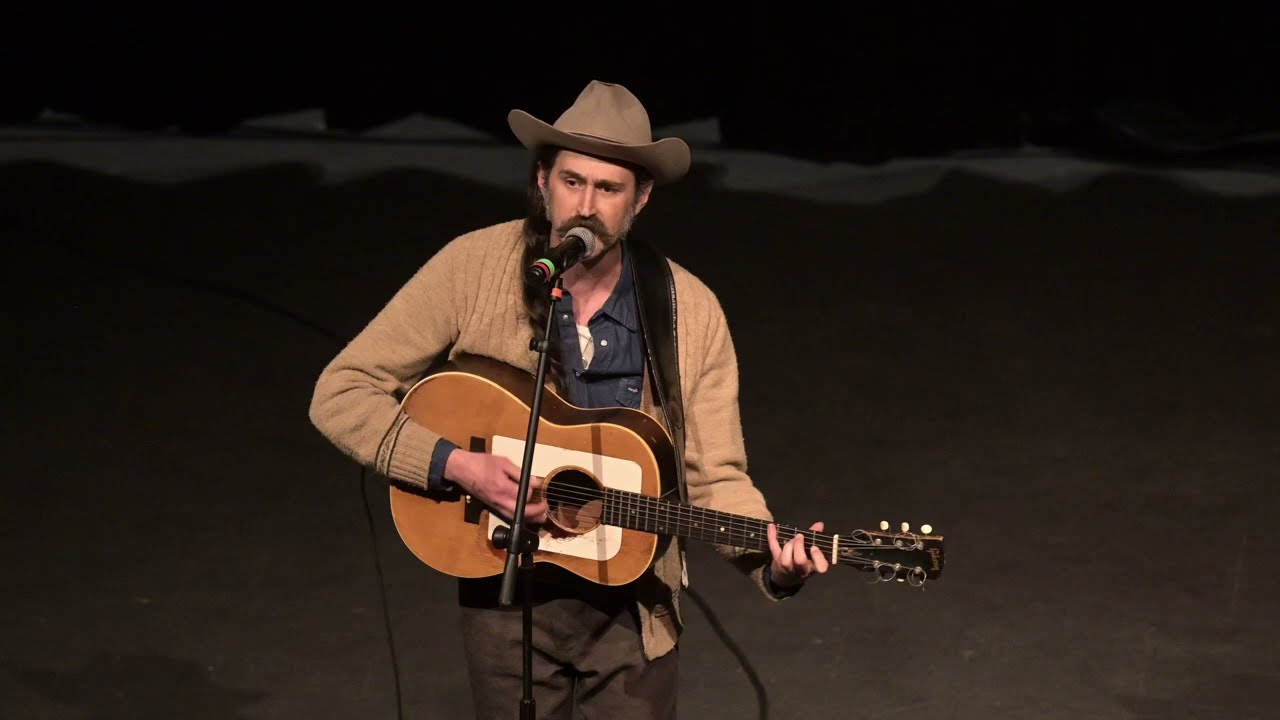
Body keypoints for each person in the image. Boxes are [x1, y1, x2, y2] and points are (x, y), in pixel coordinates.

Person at [308, 79, 830, 719]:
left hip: (635, 611)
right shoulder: (473, 267)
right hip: (506, 598)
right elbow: (341, 391)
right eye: (572, 181)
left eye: (608, 189)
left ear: (640, 199)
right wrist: (454, 463)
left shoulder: (688, 310)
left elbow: (714, 474)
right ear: (541, 181)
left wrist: (773, 563)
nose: (586, 205)